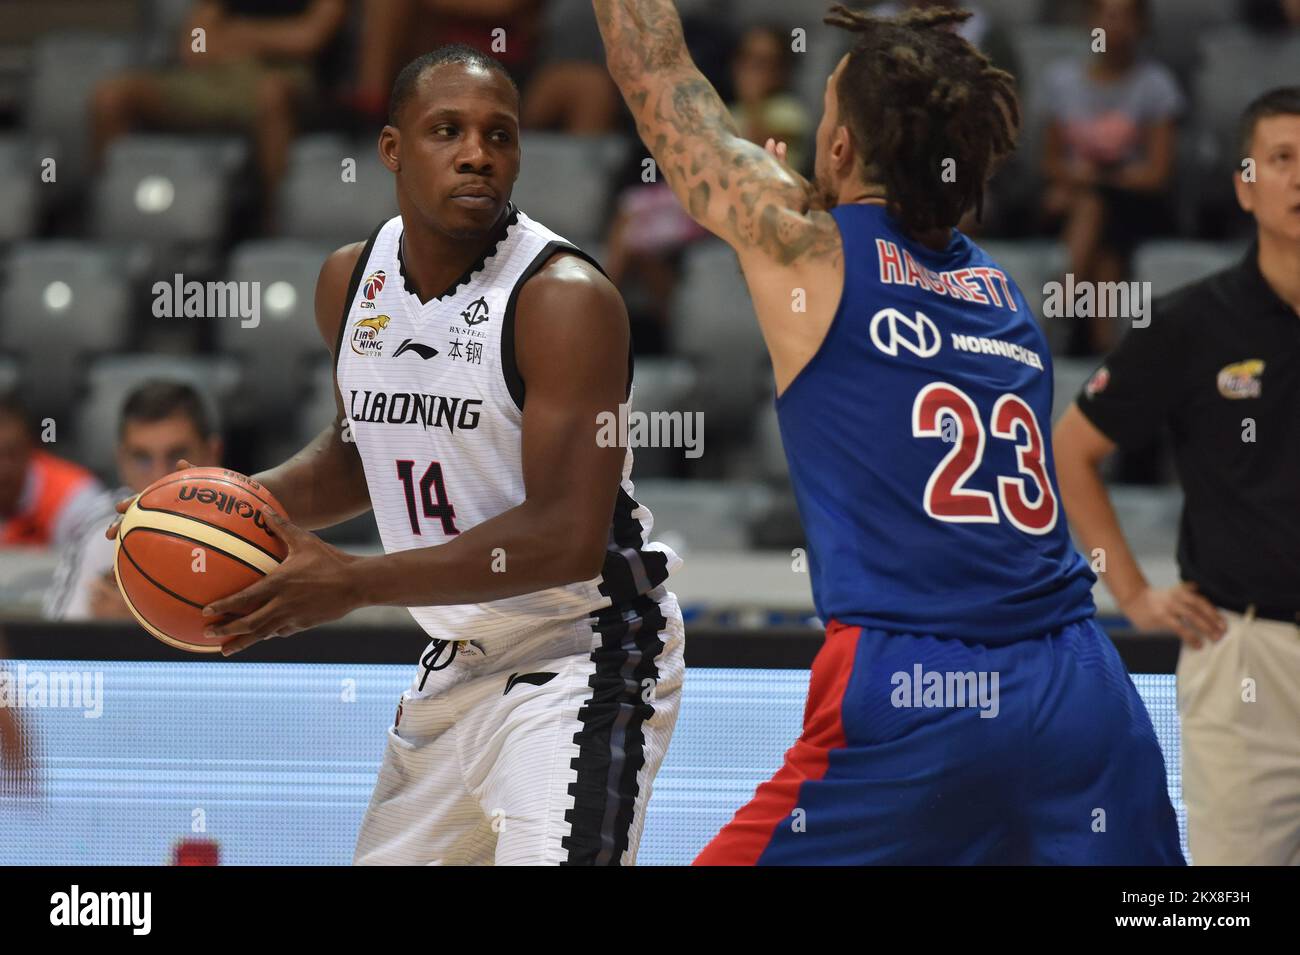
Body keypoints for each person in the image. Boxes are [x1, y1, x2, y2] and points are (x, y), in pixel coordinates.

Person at [593, 1, 1183, 864]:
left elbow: (660, 82)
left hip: (917, 689)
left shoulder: (808, 253)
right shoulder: (1007, 298)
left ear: (837, 149)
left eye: (829, 110)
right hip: (1083, 685)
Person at [110, 45, 682, 867]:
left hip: (584, 652)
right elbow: (357, 455)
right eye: (447, 130)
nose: (477, 152)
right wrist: (202, 508)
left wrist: (354, 582)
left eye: (500, 135)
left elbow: (565, 539)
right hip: (460, 655)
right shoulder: (351, 280)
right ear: (392, 149)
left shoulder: (563, 300)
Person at [1053, 87, 1300, 865]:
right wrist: (1130, 592)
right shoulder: (1194, 322)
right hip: (1247, 656)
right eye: (1283, 159)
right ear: (1245, 183)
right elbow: (1071, 451)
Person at [91, 0, 347, 206]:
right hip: (216, 77)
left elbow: (309, 38)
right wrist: (272, 39)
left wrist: (237, 33)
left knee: (271, 94)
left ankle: (276, 220)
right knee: (112, 97)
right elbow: (194, 46)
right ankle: (114, 209)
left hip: (286, 77)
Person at [1039, 0, 1183, 355]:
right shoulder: (1062, 80)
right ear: (1090, 22)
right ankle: (1103, 350)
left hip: (1136, 205)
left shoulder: (1156, 85)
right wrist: (1077, 181)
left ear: (1141, 27)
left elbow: (1156, 175)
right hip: (1076, 205)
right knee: (1103, 243)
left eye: (1123, 17)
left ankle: (1066, 306)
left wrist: (1090, 180)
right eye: (1105, 15)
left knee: (1097, 211)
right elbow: (1049, 164)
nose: (1112, 25)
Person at [44, 381, 223, 621]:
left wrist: (144, 622)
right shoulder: (102, 531)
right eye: (142, 458)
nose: (159, 476)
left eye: (176, 456)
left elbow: (264, 653)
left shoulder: (251, 531)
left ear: (212, 454)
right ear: (121, 461)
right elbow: (52, 651)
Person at [0, 393, 104, 549]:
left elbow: (97, 567)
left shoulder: (76, 497)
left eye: (12, 453)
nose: (4, 468)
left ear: (31, 447)